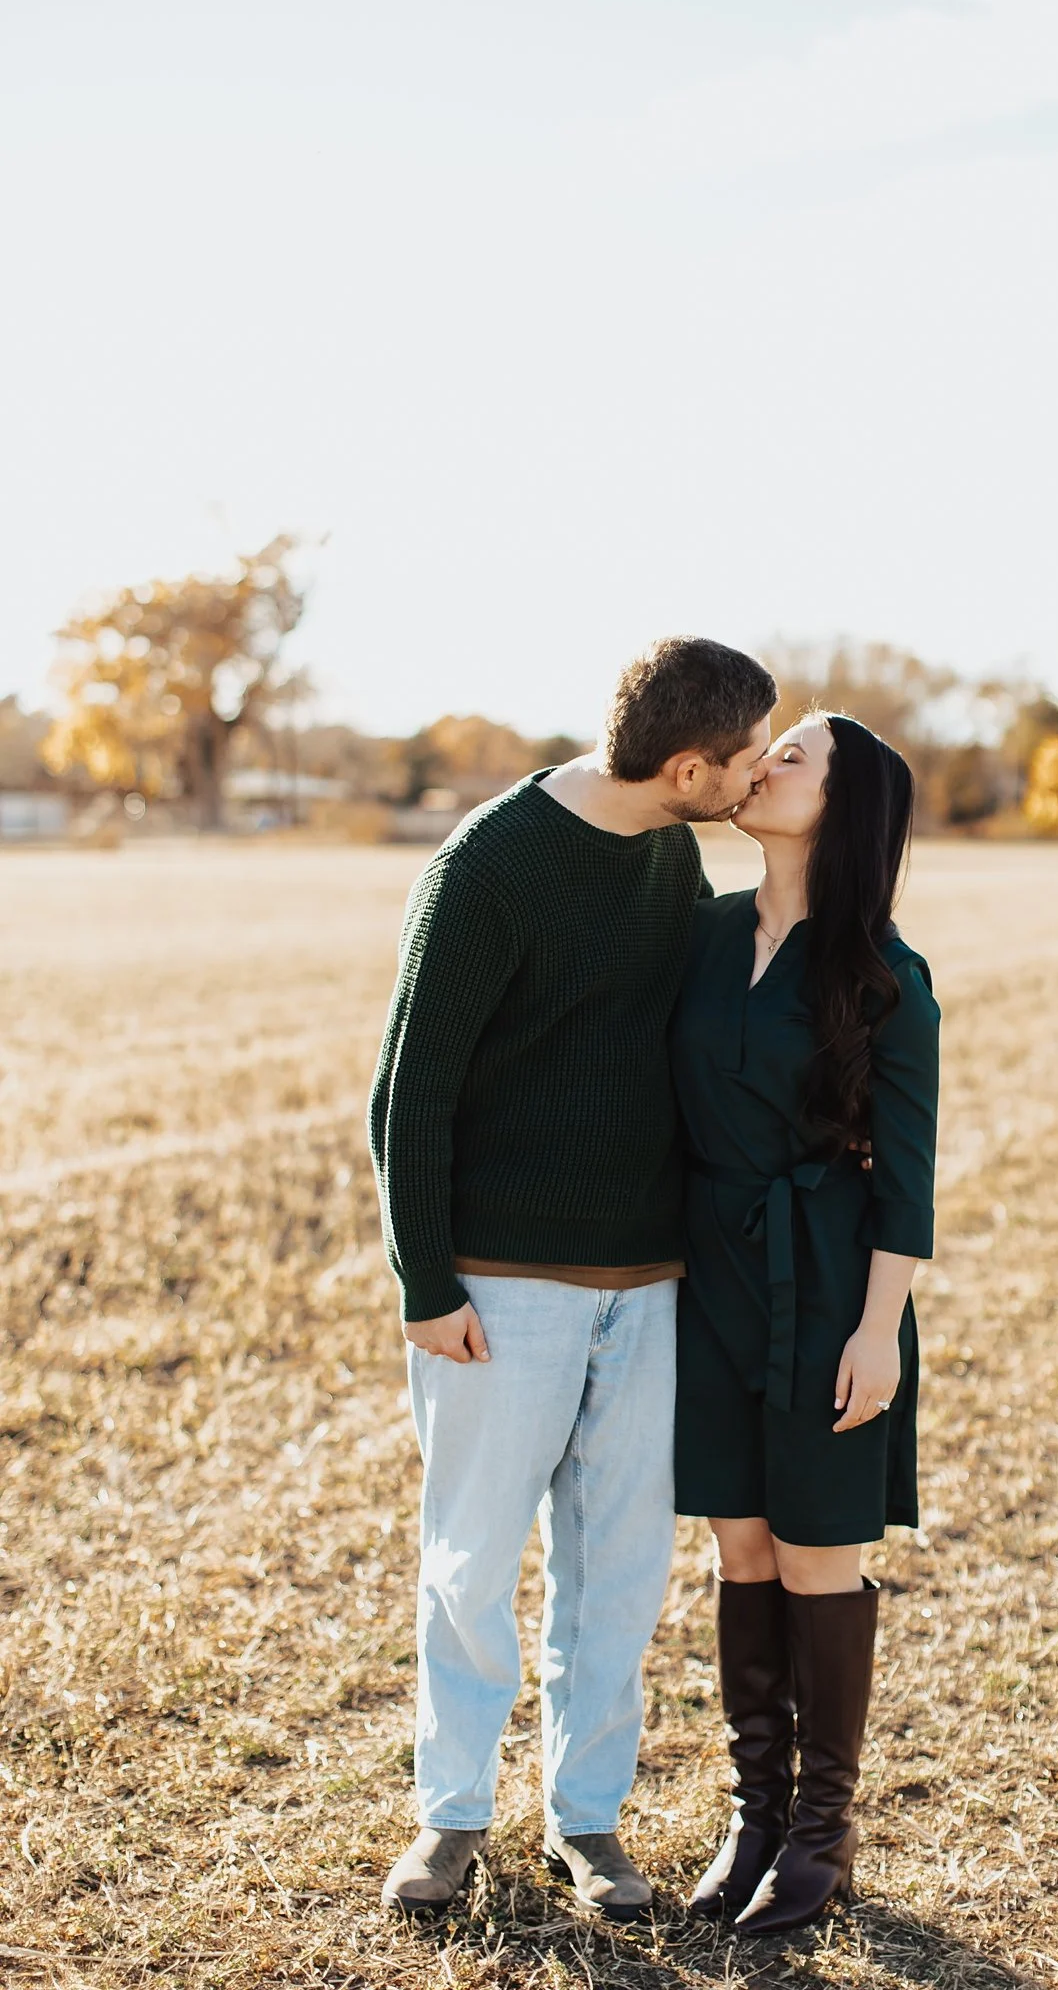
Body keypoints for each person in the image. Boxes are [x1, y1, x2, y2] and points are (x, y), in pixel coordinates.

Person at [368, 638, 777, 1919]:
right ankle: (450, 1818)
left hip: (647, 1282)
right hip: (500, 1284)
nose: (763, 768)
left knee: (616, 1571)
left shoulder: (673, 847)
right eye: (753, 751)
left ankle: (588, 1819)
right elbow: (408, 1092)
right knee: (473, 1561)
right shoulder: (489, 868)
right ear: (690, 763)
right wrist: (425, 1281)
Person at [669, 711, 939, 1934]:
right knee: (741, 1547)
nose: (762, 762)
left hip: (833, 1285)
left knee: (821, 1548)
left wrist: (878, 1327)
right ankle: (755, 1814)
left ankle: (823, 1832)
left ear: (845, 804)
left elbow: (908, 1178)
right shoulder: (704, 934)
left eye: (793, 755)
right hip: (710, 1280)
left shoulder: (884, 969)